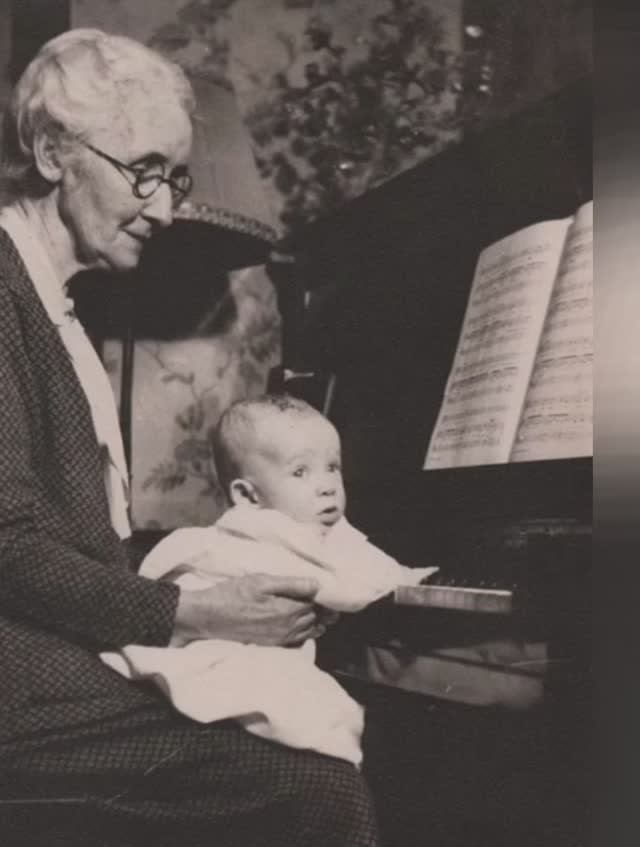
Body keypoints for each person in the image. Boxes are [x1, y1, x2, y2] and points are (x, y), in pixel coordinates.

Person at [0, 29, 380, 847]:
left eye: (173, 178)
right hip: (13, 681)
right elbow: (7, 541)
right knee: (310, 781)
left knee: (300, 732)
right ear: (54, 150)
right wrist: (195, 610)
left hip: (43, 654)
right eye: (144, 171)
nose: (167, 207)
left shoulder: (52, 303)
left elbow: (75, 543)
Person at [102, 394, 435, 767]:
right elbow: (348, 584)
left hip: (190, 632)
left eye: (332, 467)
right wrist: (408, 580)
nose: (327, 485)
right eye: (300, 472)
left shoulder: (297, 519)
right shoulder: (274, 529)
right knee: (318, 713)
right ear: (247, 495)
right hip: (223, 644)